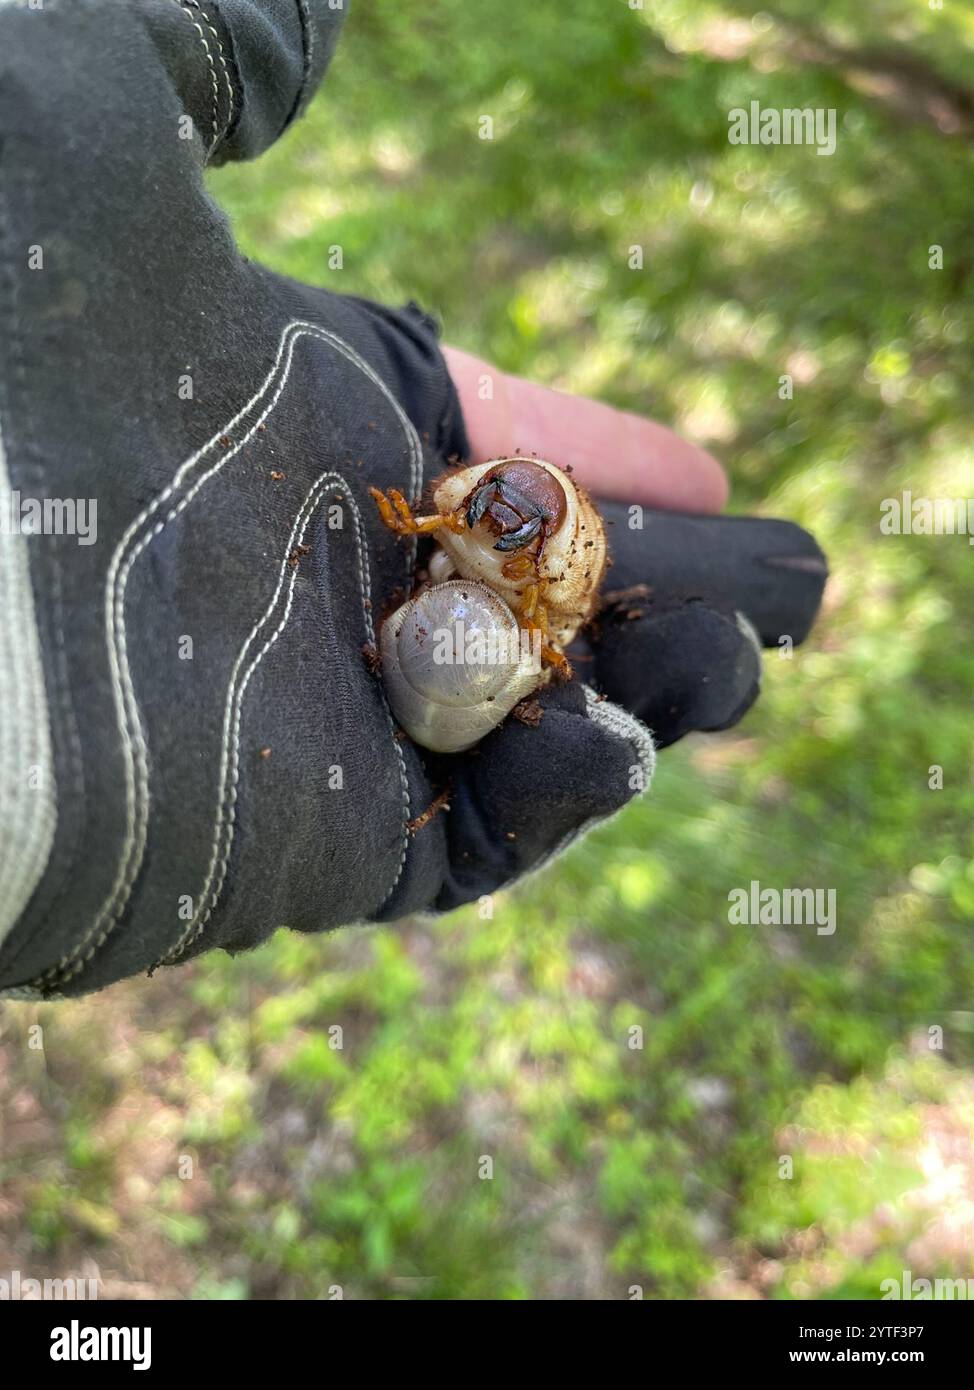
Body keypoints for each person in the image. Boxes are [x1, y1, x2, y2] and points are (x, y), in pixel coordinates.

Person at [0, 0, 825, 998]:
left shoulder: (507, 576)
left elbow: (491, 568)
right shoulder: (467, 528)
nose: (497, 519)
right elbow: (452, 530)